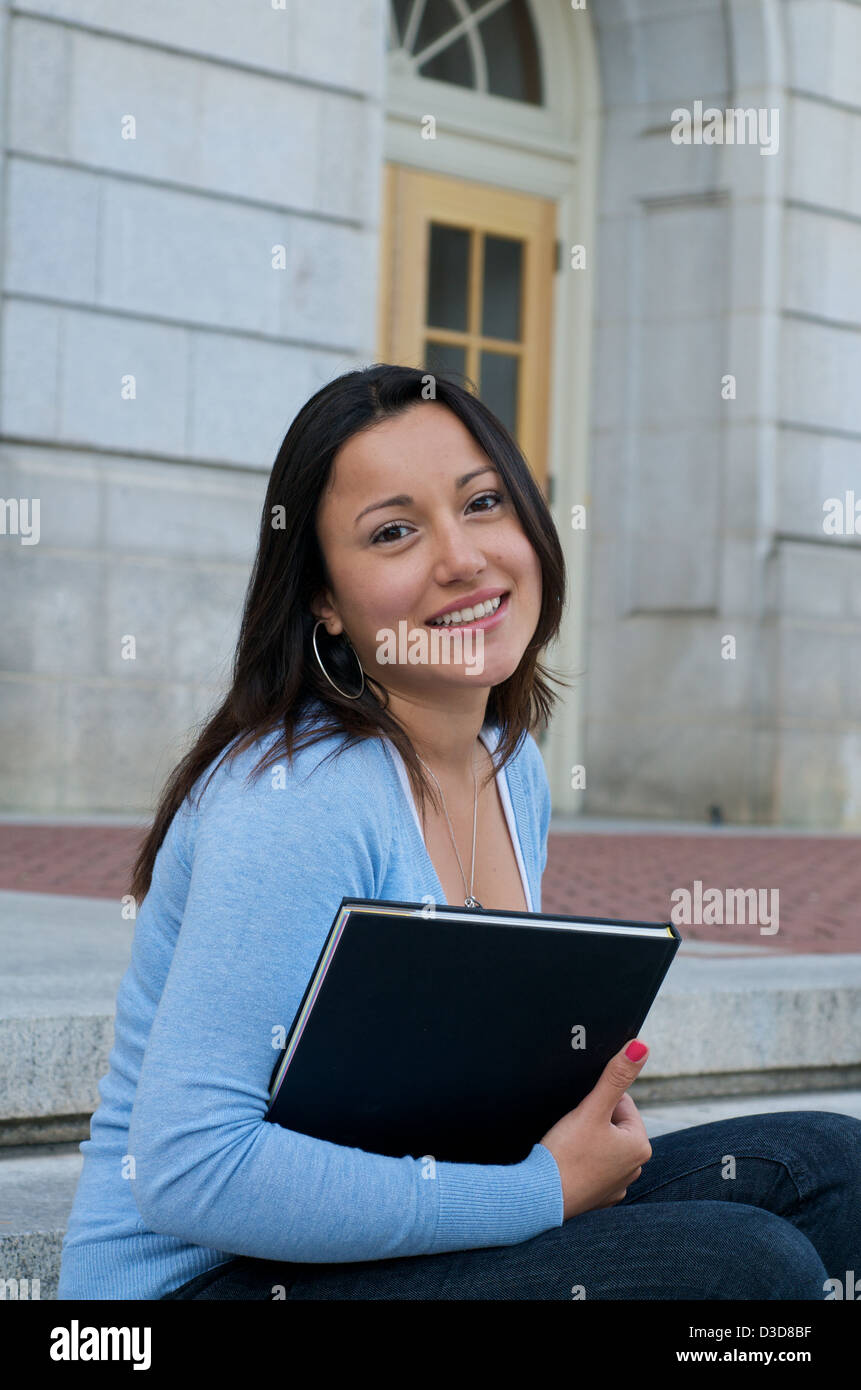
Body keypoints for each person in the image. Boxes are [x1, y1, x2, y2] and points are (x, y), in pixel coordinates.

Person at [58, 364, 860, 1301]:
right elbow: (191, 1167)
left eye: (483, 504)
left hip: (382, 1248)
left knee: (830, 1167)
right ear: (323, 599)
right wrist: (538, 1191)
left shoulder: (509, 764)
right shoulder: (298, 798)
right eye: (394, 531)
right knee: (736, 1271)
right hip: (202, 1285)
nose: (461, 558)